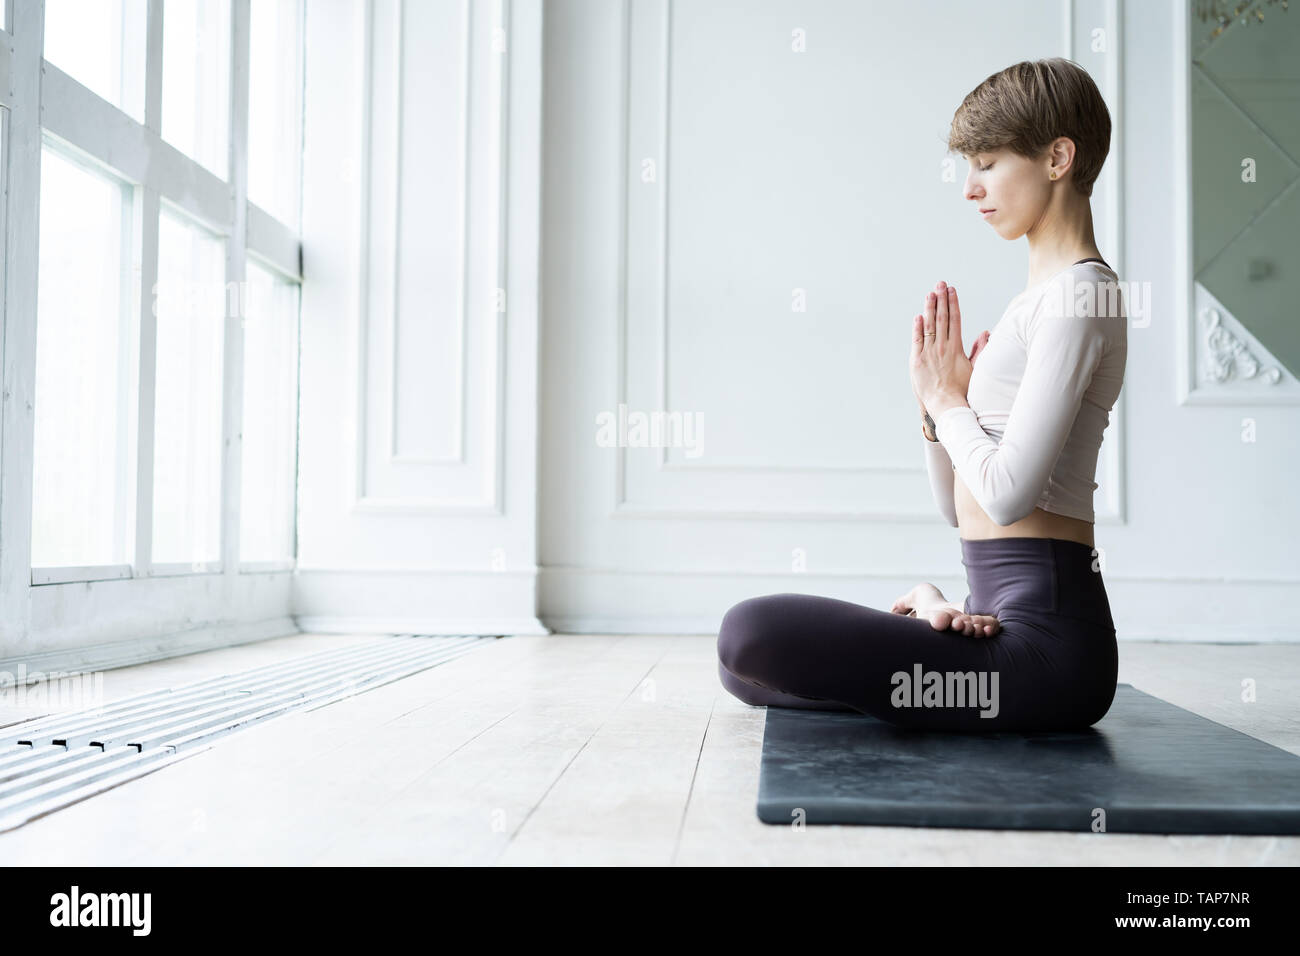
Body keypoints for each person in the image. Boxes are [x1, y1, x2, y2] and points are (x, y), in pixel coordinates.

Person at [716, 58, 1126, 731]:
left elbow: (1009, 494)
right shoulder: (1044, 300)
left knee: (749, 632)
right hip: (998, 631)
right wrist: (934, 416)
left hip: (1048, 659)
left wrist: (949, 403)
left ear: (1058, 158)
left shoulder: (1084, 295)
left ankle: (933, 666)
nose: (971, 189)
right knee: (740, 670)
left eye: (989, 163)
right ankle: (933, 647)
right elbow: (958, 508)